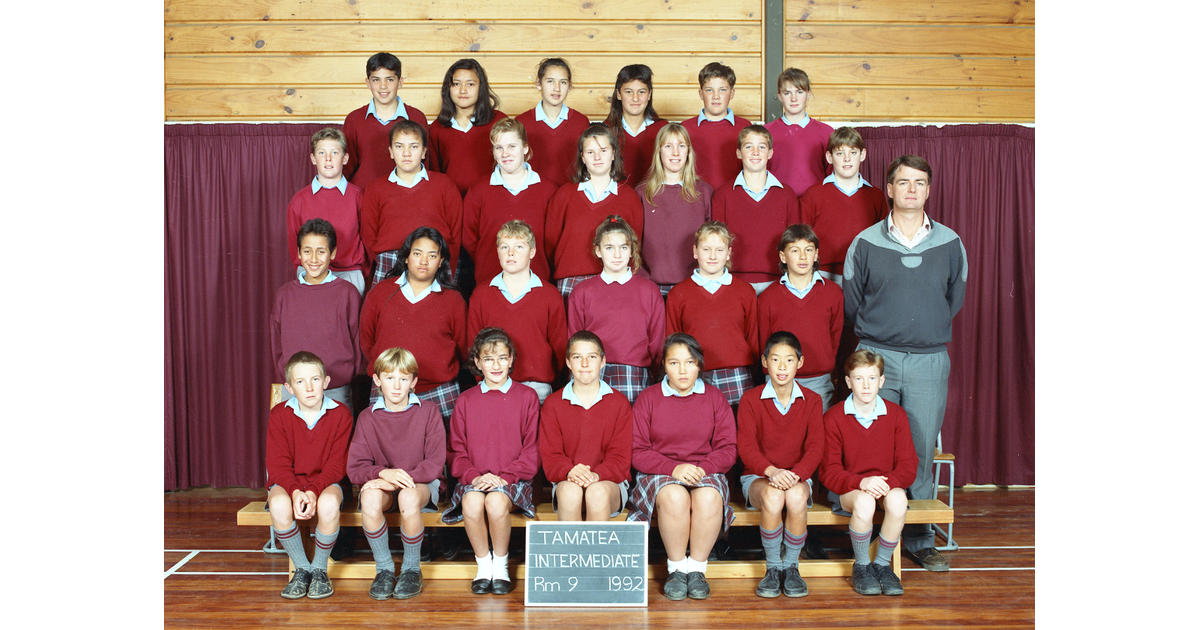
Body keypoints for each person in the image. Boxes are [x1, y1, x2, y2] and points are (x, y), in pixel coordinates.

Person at [842, 155, 968, 572]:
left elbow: (954, 299)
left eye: (919, 182)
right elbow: (852, 301)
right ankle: (863, 531)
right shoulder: (865, 242)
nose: (911, 189)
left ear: (928, 190)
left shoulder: (950, 242)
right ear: (889, 190)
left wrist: (922, 331)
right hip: (876, 357)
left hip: (929, 360)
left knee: (918, 447)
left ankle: (918, 536)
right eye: (903, 182)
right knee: (870, 440)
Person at [627, 333, 737, 601]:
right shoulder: (648, 398)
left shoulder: (715, 398)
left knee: (709, 496)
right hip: (660, 473)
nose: (682, 370)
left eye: (689, 362)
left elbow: (728, 448)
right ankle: (676, 568)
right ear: (664, 365)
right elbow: (637, 451)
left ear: (699, 364)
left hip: (704, 470)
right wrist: (673, 468)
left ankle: (697, 569)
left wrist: (703, 467)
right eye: (674, 363)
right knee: (675, 496)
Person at [442, 328, 540, 596]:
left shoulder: (527, 397)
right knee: (472, 502)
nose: (495, 365)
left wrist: (504, 478)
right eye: (488, 359)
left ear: (511, 360)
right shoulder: (465, 400)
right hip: (474, 479)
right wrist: (474, 477)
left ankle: (501, 566)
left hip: (513, 481)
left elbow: (531, 450)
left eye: (501, 358)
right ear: (477, 363)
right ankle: (483, 566)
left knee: (496, 502)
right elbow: (456, 451)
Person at [347, 347, 446, 600]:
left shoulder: (429, 411)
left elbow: (434, 463)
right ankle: (384, 569)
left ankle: (412, 569)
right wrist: (384, 475)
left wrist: (398, 480)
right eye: (390, 378)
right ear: (377, 380)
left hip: (421, 485)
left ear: (413, 382)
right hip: (385, 484)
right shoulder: (367, 418)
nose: (397, 385)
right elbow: (355, 468)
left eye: (404, 378)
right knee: (369, 499)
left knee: (408, 497)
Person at [821, 350, 917, 596]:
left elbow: (908, 464)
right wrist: (861, 482)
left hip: (885, 485)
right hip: (850, 489)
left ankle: (882, 565)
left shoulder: (896, 415)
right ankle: (862, 565)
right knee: (864, 502)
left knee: (898, 499)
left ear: (881, 381)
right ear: (848, 381)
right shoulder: (834, 417)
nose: (866, 385)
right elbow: (828, 471)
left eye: (872, 378)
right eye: (859, 378)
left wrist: (886, 483)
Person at [737, 331, 824, 598]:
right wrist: (772, 471)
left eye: (789, 359)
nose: (782, 367)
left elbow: (815, 447)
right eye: (775, 359)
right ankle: (773, 567)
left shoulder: (812, 400)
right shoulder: (751, 399)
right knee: (774, 497)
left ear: (800, 362)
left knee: (796, 497)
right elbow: (746, 447)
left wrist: (796, 475)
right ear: (765, 362)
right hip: (759, 476)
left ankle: (792, 567)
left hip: (798, 476)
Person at [266, 351, 354, 600]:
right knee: (279, 504)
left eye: (315, 380)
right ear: (289, 387)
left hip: (327, 483)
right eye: (300, 382)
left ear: (326, 382)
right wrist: (295, 491)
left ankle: (319, 569)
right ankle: (302, 568)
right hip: (288, 483)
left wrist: (313, 492)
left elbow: (338, 465)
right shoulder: (279, 415)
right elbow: (278, 465)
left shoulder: (341, 414)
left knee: (327, 505)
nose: (309, 387)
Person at [359, 227, 468, 422]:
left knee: (442, 450)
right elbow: (368, 343)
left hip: (439, 389)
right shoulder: (380, 293)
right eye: (417, 253)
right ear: (406, 257)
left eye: (432, 255)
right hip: (389, 389)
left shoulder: (453, 300)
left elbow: (463, 347)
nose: (424, 261)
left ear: (441, 261)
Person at [468, 220, 568, 403]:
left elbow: (560, 349)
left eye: (519, 246)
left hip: (538, 388)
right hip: (493, 384)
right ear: (497, 251)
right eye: (504, 247)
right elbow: (474, 345)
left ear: (532, 252)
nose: (510, 253)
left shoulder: (550, 296)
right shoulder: (481, 295)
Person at [567, 216, 665, 402]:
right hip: (592, 372)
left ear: (631, 251)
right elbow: (575, 340)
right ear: (598, 251)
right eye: (609, 248)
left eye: (624, 247)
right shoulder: (582, 292)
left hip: (634, 375)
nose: (617, 255)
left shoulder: (649, 291)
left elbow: (657, 343)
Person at [539, 331, 633, 521]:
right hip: (568, 480)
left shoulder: (619, 403)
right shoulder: (553, 404)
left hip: (608, 483)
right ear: (568, 362)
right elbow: (551, 455)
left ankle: (598, 552)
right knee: (570, 492)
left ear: (603, 361)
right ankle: (570, 552)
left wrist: (596, 475)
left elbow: (620, 457)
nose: (584, 364)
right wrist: (570, 471)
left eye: (592, 357)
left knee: (596, 493)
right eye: (577, 357)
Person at [666, 221, 758, 409]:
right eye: (706, 249)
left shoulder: (745, 291)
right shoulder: (678, 293)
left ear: (729, 252)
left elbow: (753, 338)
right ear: (695, 251)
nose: (713, 256)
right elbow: (672, 340)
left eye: (719, 249)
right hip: (694, 375)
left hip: (736, 375)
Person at [545, 123, 644, 297]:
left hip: (615, 280)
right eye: (590, 152)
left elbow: (635, 244)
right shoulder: (564, 195)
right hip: (571, 281)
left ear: (614, 153)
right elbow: (550, 243)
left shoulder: (630, 198)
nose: (597, 157)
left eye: (603, 151)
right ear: (582, 157)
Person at [271, 218, 361, 407]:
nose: (313, 259)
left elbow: (357, 339)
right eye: (307, 251)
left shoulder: (347, 293)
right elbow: (276, 342)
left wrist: (345, 375)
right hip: (293, 389)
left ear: (333, 253)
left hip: (336, 388)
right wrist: (287, 377)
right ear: (298, 253)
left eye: (321, 251)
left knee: (338, 436)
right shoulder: (285, 294)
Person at [360, 119, 463, 284]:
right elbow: (370, 236)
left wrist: (446, 265)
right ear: (391, 151)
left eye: (413, 147)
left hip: (433, 261)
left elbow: (456, 232)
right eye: (399, 146)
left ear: (423, 152)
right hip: (390, 261)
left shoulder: (444, 185)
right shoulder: (375, 189)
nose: (406, 153)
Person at [461, 118, 556, 290]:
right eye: (499, 148)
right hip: (489, 281)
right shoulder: (478, 191)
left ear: (525, 148)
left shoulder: (549, 191)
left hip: (536, 281)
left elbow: (552, 242)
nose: (505, 154)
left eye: (512, 146)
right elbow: (470, 240)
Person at [757, 224, 843, 410]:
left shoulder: (833, 293)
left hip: (819, 380)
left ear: (816, 254)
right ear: (783, 256)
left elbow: (835, 338)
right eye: (795, 250)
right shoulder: (768, 297)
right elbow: (763, 341)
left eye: (809, 250)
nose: (803, 257)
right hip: (779, 380)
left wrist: (823, 362)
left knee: (818, 436)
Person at [711, 125, 801, 293]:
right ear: (739, 153)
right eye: (748, 146)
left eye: (761, 146)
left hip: (778, 282)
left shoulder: (787, 195)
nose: (755, 152)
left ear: (770, 153)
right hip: (733, 281)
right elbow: (716, 242)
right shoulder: (723, 194)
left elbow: (794, 243)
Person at [798, 126, 888, 285]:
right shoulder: (813, 195)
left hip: (864, 273)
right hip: (822, 274)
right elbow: (802, 240)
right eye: (840, 153)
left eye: (853, 153)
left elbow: (882, 240)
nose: (847, 159)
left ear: (863, 155)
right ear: (829, 157)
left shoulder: (876, 196)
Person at [286, 128, 368, 295]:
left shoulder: (358, 197)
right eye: (322, 153)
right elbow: (295, 245)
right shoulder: (299, 200)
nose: (328, 158)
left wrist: (360, 274)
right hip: (312, 273)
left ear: (345, 158)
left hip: (349, 273)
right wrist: (305, 272)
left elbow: (367, 240)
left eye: (335, 152)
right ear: (313, 158)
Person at [636, 123, 714, 297]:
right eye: (668, 146)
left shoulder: (704, 192)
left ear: (689, 152)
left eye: (681, 146)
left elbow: (712, 241)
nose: (675, 152)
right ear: (659, 152)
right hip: (650, 285)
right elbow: (633, 242)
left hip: (694, 284)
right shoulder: (643, 193)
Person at [342, 52, 429, 190]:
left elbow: (426, 166)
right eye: (376, 80)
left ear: (400, 82)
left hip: (405, 197)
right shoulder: (354, 120)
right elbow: (346, 169)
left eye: (389, 79)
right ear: (368, 83)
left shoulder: (417, 117)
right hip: (364, 197)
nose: (383, 86)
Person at [428, 58, 508, 197]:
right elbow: (435, 174)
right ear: (448, 88)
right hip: (452, 202)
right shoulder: (437, 128)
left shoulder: (499, 121)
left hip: (492, 199)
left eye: (470, 84)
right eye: (456, 84)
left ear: (481, 87)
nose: (463, 90)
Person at [515, 58, 590, 188]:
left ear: (570, 87)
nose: (557, 88)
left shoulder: (581, 122)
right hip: (532, 196)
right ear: (539, 83)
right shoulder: (522, 122)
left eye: (563, 82)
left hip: (571, 196)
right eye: (550, 81)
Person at [764, 68, 834, 200]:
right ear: (779, 95)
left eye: (799, 92)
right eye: (787, 93)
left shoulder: (826, 132)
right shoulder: (765, 133)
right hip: (777, 201)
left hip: (816, 202)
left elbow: (832, 175)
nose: (793, 98)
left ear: (808, 94)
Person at [682, 62, 751, 188]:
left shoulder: (745, 127)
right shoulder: (685, 128)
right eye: (709, 90)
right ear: (701, 93)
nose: (716, 96)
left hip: (733, 198)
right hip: (696, 199)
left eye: (723, 90)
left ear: (732, 93)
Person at [603, 64, 669, 187]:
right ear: (618, 94)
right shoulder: (605, 131)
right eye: (629, 92)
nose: (635, 98)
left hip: (654, 201)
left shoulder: (663, 129)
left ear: (649, 94)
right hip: (619, 202)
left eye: (641, 92)